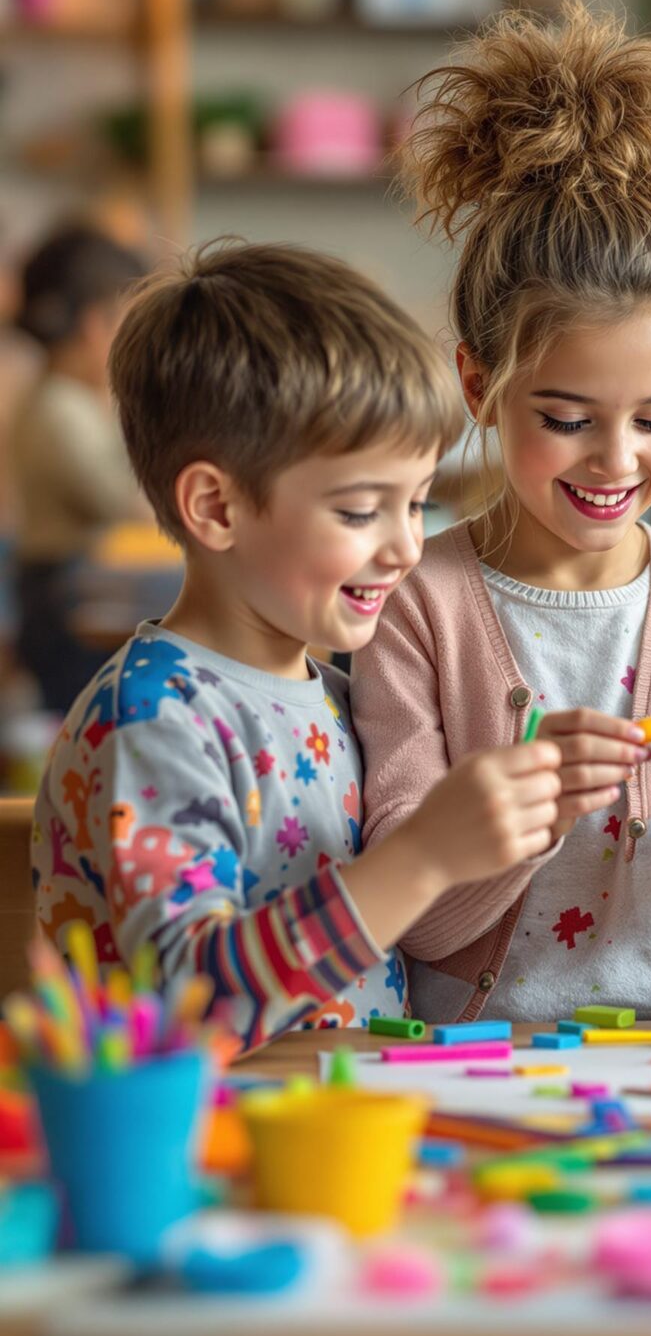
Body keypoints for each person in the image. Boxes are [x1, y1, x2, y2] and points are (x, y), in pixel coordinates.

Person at [351, 4, 651, 1025]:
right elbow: (415, 920)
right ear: (478, 385)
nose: (617, 460)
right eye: (566, 419)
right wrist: (519, 818)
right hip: (482, 1070)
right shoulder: (414, 604)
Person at [33, 243, 573, 1050]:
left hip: (347, 1127)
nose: (406, 547)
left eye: (417, 504)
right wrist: (421, 857)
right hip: (212, 1153)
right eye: (361, 512)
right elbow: (190, 1011)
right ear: (216, 507)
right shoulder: (150, 722)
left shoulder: (338, 696)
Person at [11, 224, 152, 712]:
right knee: (85, 712)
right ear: (97, 326)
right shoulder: (61, 408)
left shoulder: (66, 399)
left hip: (68, 587)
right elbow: (123, 502)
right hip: (64, 596)